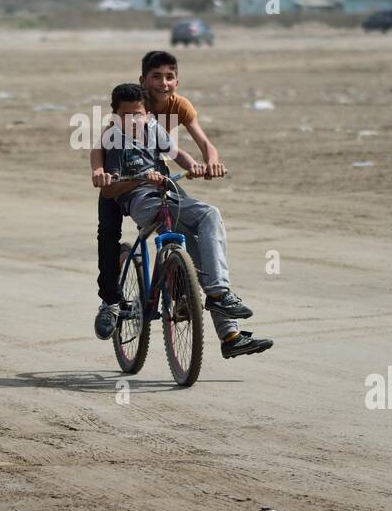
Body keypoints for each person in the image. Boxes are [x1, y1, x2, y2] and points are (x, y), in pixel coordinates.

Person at [99, 83, 273, 360]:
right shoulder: (114, 140)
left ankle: (225, 319)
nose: (133, 120)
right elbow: (109, 189)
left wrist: (197, 167)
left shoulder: (154, 129)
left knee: (208, 218)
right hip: (141, 201)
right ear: (115, 116)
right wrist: (140, 178)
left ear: (147, 114)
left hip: (168, 194)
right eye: (126, 115)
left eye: (139, 114)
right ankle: (215, 310)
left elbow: (178, 154)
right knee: (191, 237)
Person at [89, 51, 223, 339]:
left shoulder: (174, 107)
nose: (163, 83)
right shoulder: (127, 109)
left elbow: (189, 149)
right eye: (156, 77)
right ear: (144, 80)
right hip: (121, 178)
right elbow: (102, 146)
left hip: (157, 176)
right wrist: (99, 171)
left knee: (181, 218)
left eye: (169, 77)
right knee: (107, 234)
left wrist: (204, 164)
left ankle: (185, 291)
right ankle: (110, 302)